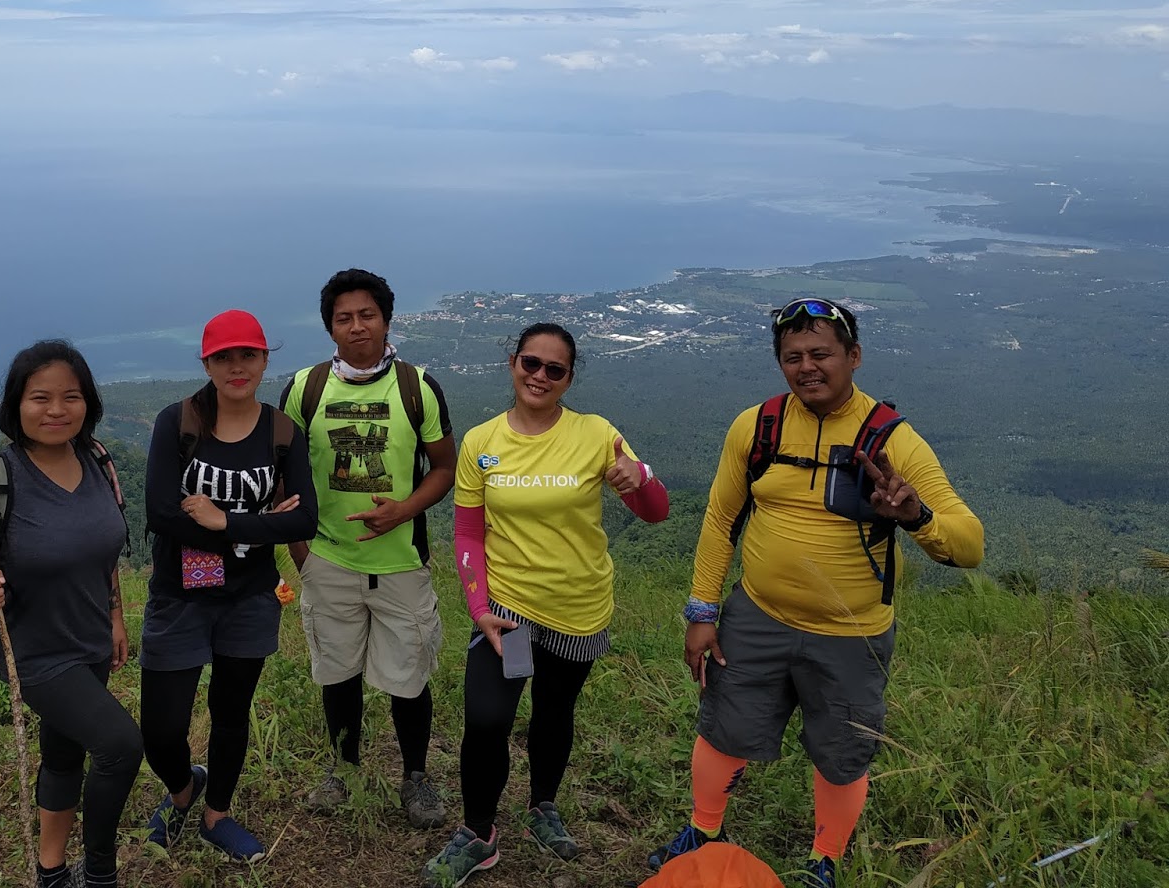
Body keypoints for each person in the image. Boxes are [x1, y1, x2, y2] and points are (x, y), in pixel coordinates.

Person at [649, 298, 984, 888]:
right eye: (792, 357)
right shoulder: (758, 427)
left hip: (852, 632)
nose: (807, 366)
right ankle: (704, 830)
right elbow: (720, 518)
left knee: (842, 751)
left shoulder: (892, 440)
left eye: (822, 354)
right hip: (757, 615)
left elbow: (970, 546)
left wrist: (916, 514)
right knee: (725, 727)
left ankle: (823, 860)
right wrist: (703, 610)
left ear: (853, 357)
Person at [423, 323, 670, 886]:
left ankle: (542, 807)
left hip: (578, 608)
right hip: (509, 611)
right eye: (530, 363)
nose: (539, 376)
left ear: (568, 378)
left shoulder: (597, 433)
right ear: (512, 363)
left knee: (555, 712)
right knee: (488, 719)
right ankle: (479, 834)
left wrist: (639, 480)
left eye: (553, 370)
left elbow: (655, 512)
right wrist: (479, 605)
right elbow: (468, 533)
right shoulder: (483, 443)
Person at [0, 340, 141, 888]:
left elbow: (103, 550)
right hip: (35, 651)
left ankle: (51, 870)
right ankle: (101, 875)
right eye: (40, 397)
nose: (56, 409)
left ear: (88, 403)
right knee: (120, 745)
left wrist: (115, 616)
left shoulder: (99, 461)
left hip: (88, 637)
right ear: (16, 405)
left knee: (63, 755)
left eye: (71, 396)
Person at [278, 268, 458, 828]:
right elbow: (286, 477)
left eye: (367, 316)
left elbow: (444, 467)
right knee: (337, 672)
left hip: (402, 562)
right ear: (330, 328)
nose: (357, 328)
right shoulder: (305, 389)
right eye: (344, 319)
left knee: (408, 677)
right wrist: (303, 554)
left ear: (386, 319)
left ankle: (416, 776)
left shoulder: (416, 387)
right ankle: (345, 767)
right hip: (329, 560)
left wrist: (403, 510)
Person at [136, 310, 318, 862]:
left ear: (265, 359)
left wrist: (225, 522)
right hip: (180, 593)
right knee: (160, 729)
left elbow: (305, 520)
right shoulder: (180, 422)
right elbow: (159, 513)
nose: (237, 367)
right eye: (224, 357)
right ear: (207, 363)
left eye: (249, 355)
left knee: (231, 712)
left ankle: (216, 814)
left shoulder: (283, 432)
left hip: (250, 596)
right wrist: (263, 522)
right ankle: (183, 787)